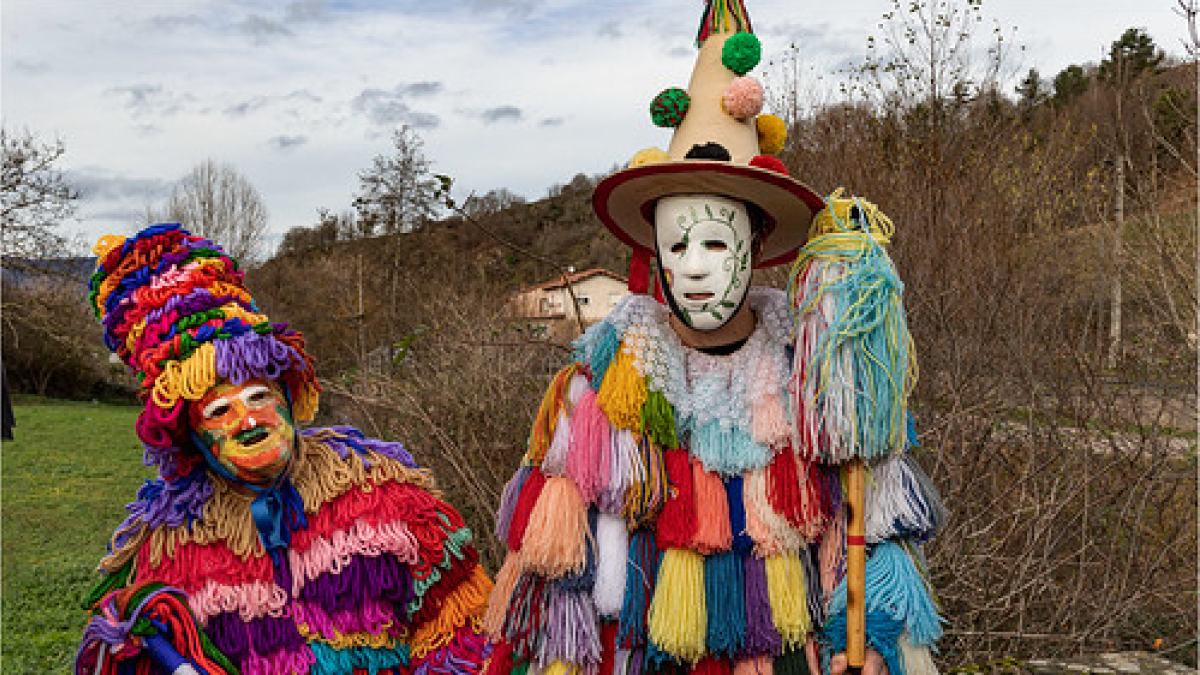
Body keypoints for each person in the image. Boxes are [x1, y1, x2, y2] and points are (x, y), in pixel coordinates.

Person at [482, 2, 944, 675]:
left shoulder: (813, 375)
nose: (693, 264)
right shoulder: (601, 390)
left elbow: (870, 529)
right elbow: (556, 577)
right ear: (654, 253)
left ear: (756, 244)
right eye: (676, 243)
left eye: (715, 240)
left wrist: (871, 632)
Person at [76, 224, 492, 675]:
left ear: (290, 399)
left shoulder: (388, 498)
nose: (249, 421)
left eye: (259, 398)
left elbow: (464, 626)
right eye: (219, 411)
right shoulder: (167, 547)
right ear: (189, 436)